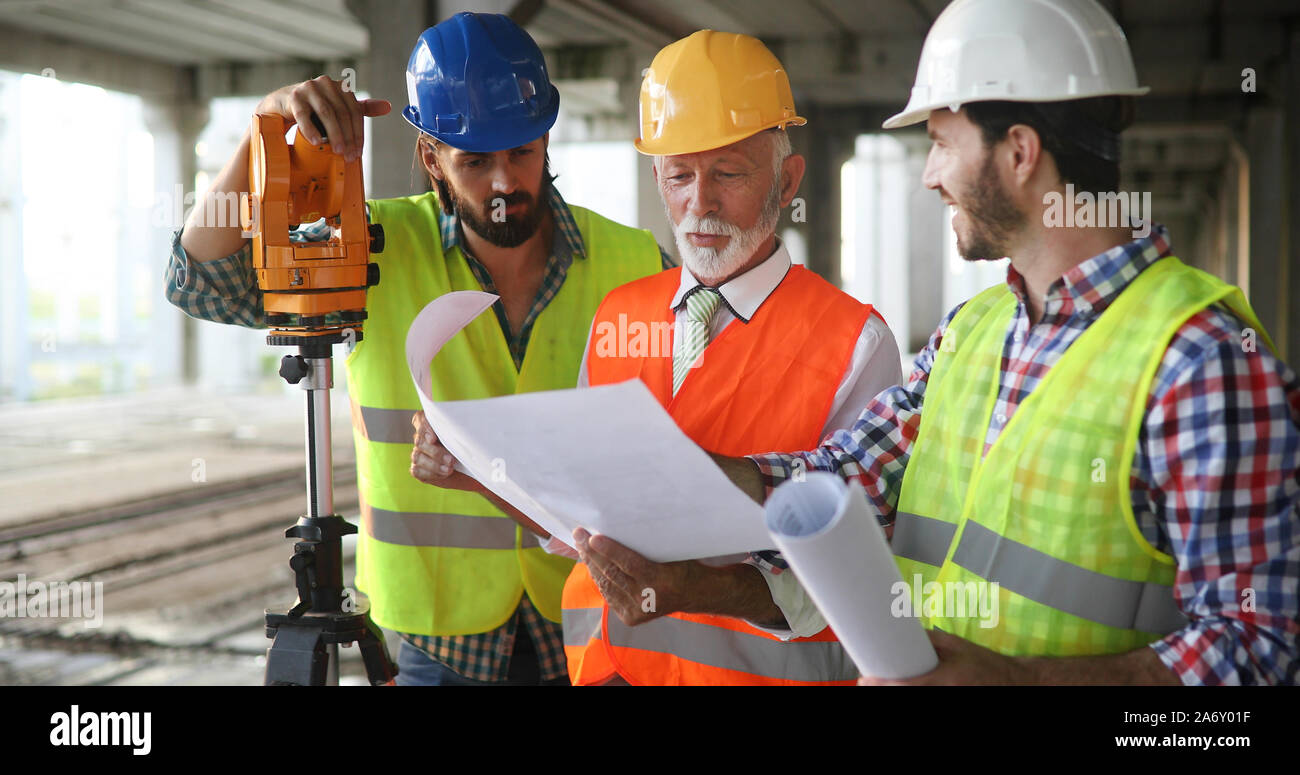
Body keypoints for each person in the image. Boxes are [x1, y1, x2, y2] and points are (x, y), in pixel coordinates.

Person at [715, 0, 1300, 686]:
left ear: (1020, 152)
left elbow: (1264, 644)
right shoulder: (974, 328)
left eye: (941, 141)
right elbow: (853, 477)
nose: (930, 174)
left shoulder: (1201, 359)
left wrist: (1023, 681)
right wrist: (689, 484)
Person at [165, 12, 669, 686]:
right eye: (475, 160)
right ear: (431, 157)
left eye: (521, 152)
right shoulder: (369, 248)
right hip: (439, 643)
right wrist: (264, 125)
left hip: (594, 628)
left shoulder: (636, 262)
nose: (502, 183)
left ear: (546, 138)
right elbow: (197, 280)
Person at [414, 30, 903, 686]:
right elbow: (577, 522)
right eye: (679, 175)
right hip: (603, 673)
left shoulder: (853, 344)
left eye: (728, 172)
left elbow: (861, 578)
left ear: (788, 180)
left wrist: (697, 587)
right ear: (657, 177)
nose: (699, 203)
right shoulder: (620, 315)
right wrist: (478, 471)